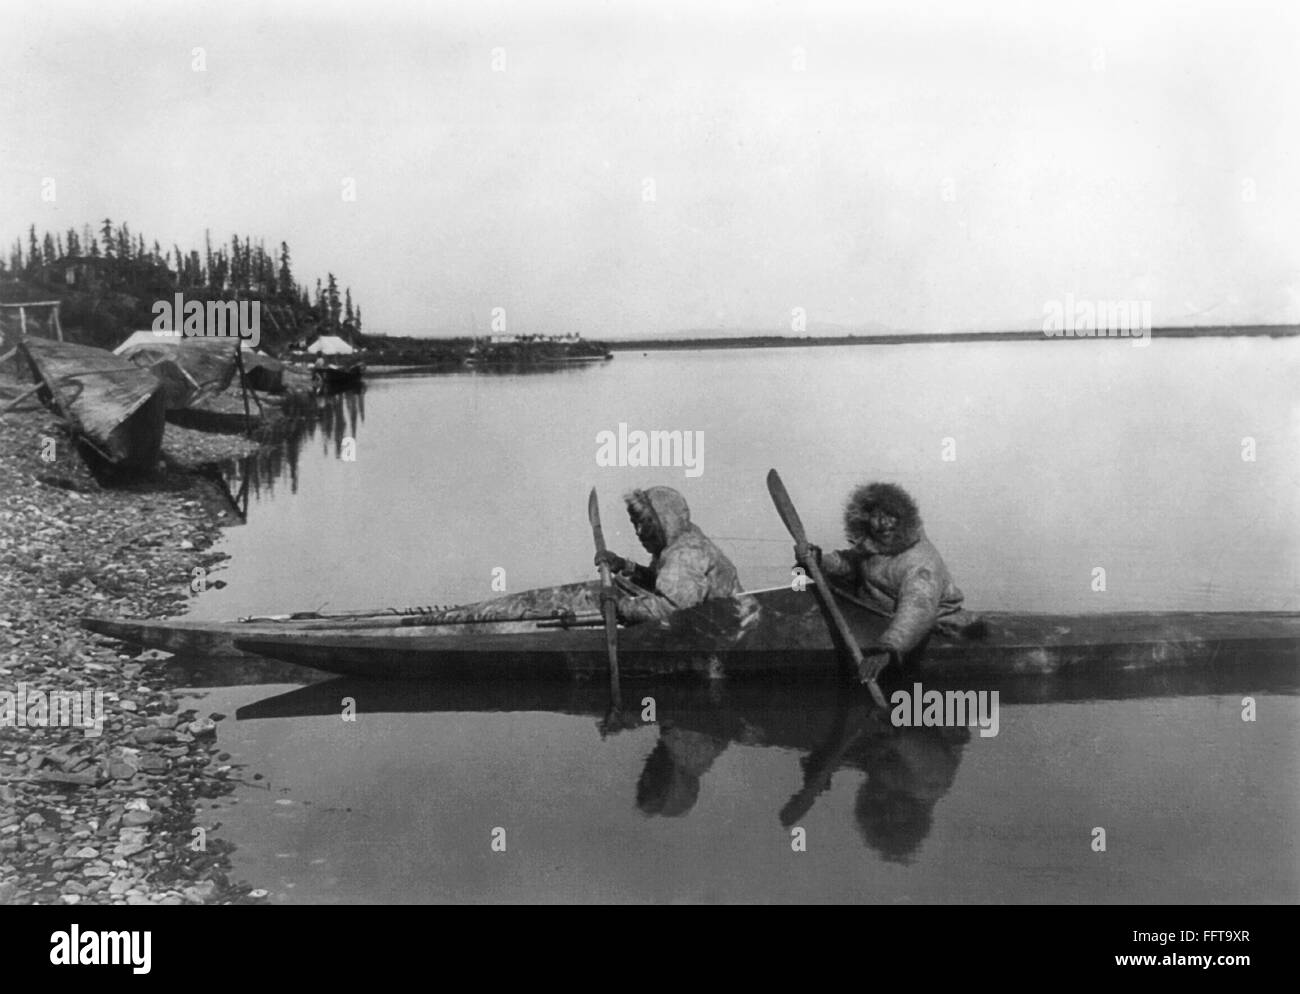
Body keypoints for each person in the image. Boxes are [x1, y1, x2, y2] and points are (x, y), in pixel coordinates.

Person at [806, 482, 983, 684]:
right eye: (876, 516)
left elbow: (917, 609)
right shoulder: (876, 546)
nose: (884, 524)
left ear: (904, 519)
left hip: (928, 623)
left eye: (891, 516)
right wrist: (819, 560)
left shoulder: (919, 562)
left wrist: (887, 650)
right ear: (865, 518)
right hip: (877, 615)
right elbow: (853, 563)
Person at [594, 486, 742, 623]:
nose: (638, 531)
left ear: (664, 522)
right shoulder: (680, 541)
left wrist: (621, 605)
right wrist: (625, 566)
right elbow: (666, 584)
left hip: (733, 635)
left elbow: (670, 609)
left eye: (645, 523)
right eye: (635, 524)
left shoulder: (685, 553)